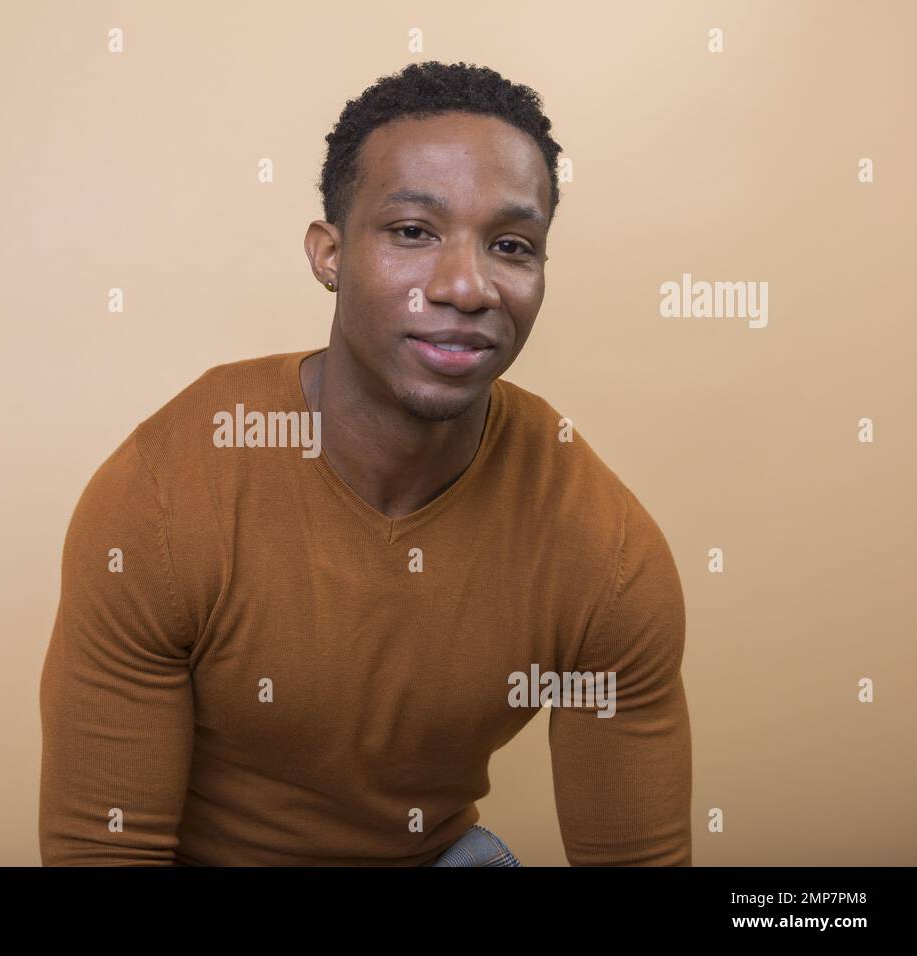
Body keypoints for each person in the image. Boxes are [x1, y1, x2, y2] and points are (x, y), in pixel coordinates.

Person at [39, 61, 692, 866]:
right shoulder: (165, 496)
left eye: (511, 245)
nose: (465, 285)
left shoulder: (605, 550)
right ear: (329, 255)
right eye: (413, 231)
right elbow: (105, 850)